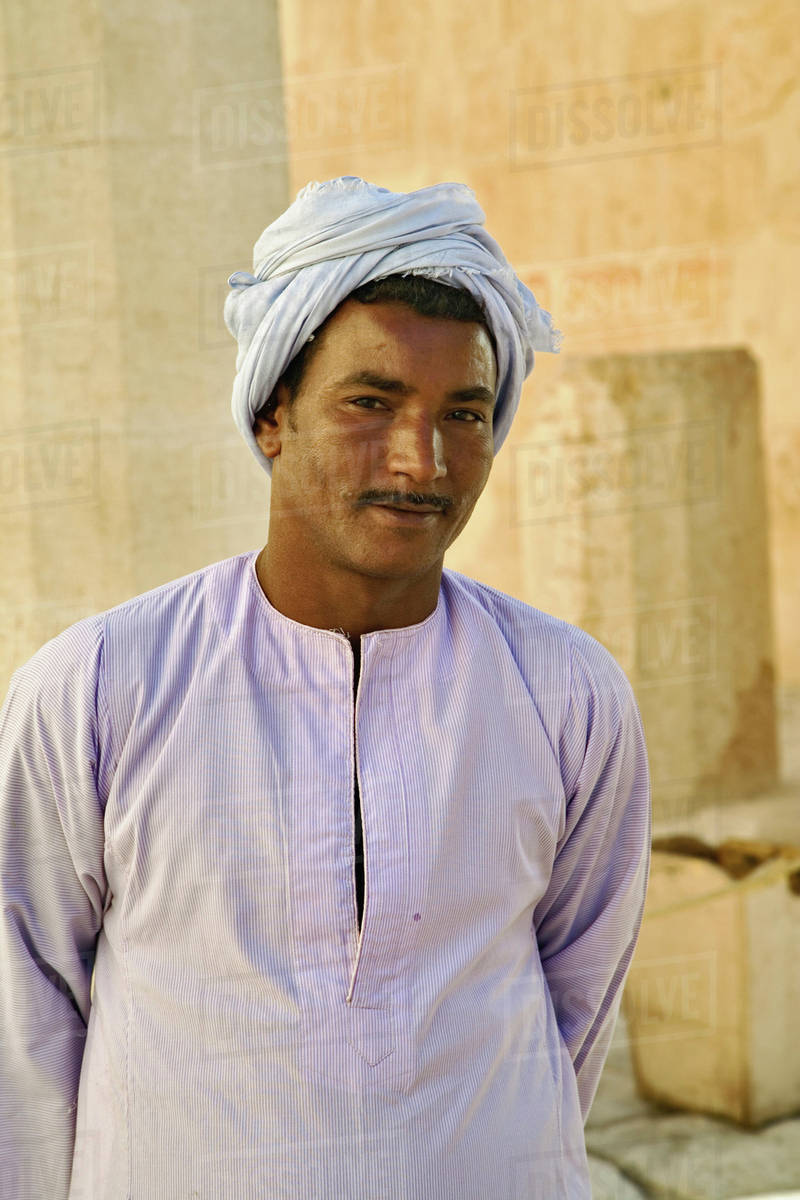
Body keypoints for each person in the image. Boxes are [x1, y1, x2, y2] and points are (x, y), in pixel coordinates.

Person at [0, 177, 650, 1199]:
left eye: (464, 412)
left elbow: (576, 998)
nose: (420, 458)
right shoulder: (98, 688)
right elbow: (22, 1026)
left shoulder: (564, 693)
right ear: (271, 416)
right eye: (370, 402)